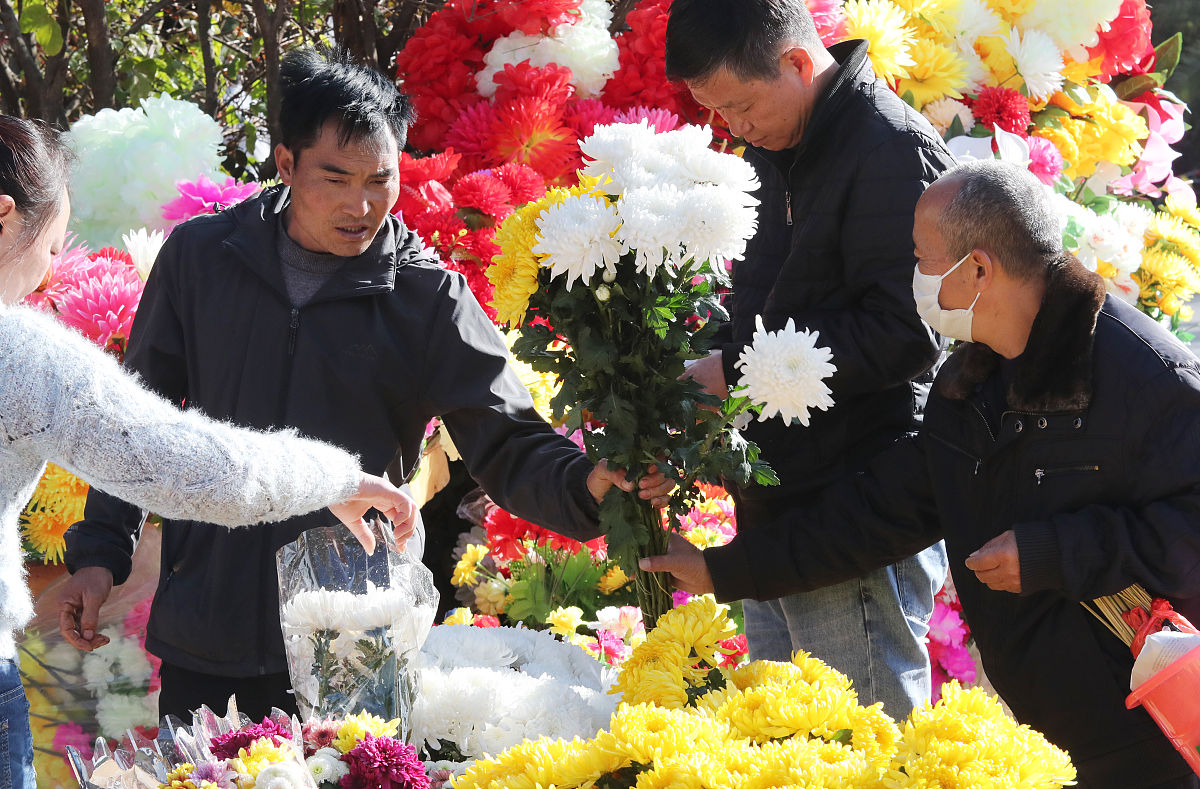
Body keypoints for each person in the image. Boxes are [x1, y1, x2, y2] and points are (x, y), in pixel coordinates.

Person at [59, 47, 672, 722]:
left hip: (352, 639)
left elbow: (507, 439)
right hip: (210, 627)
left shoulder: (427, 297)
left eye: (382, 180)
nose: (362, 205)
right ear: (286, 164)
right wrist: (100, 554)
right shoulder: (201, 259)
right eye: (336, 178)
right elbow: (136, 420)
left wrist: (584, 486)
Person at [643, 159, 1200, 789]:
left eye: (921, 258)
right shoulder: (971, 383)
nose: (914, 277)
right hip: (1047, 732)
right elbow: (879, 513)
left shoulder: (1151, 378)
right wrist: (721, 570)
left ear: (979, 269)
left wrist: (1053, 552)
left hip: (1151, 726)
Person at [0, 115, 420, 789]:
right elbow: (179, 466)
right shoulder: (16, 351)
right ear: (4, 218)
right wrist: (336, 479)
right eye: (51, 245)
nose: (50, 269)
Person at [663, 0, 953, 717]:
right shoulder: (778, 146)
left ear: (797, 62)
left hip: (855, 506)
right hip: (778, 505)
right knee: (790, 746)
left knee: (861, 740)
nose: (735, 127)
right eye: (718, 111)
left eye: (741, 105)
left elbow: (911, 331)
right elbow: (765, 306)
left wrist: (740, 372)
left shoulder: (890, 148)